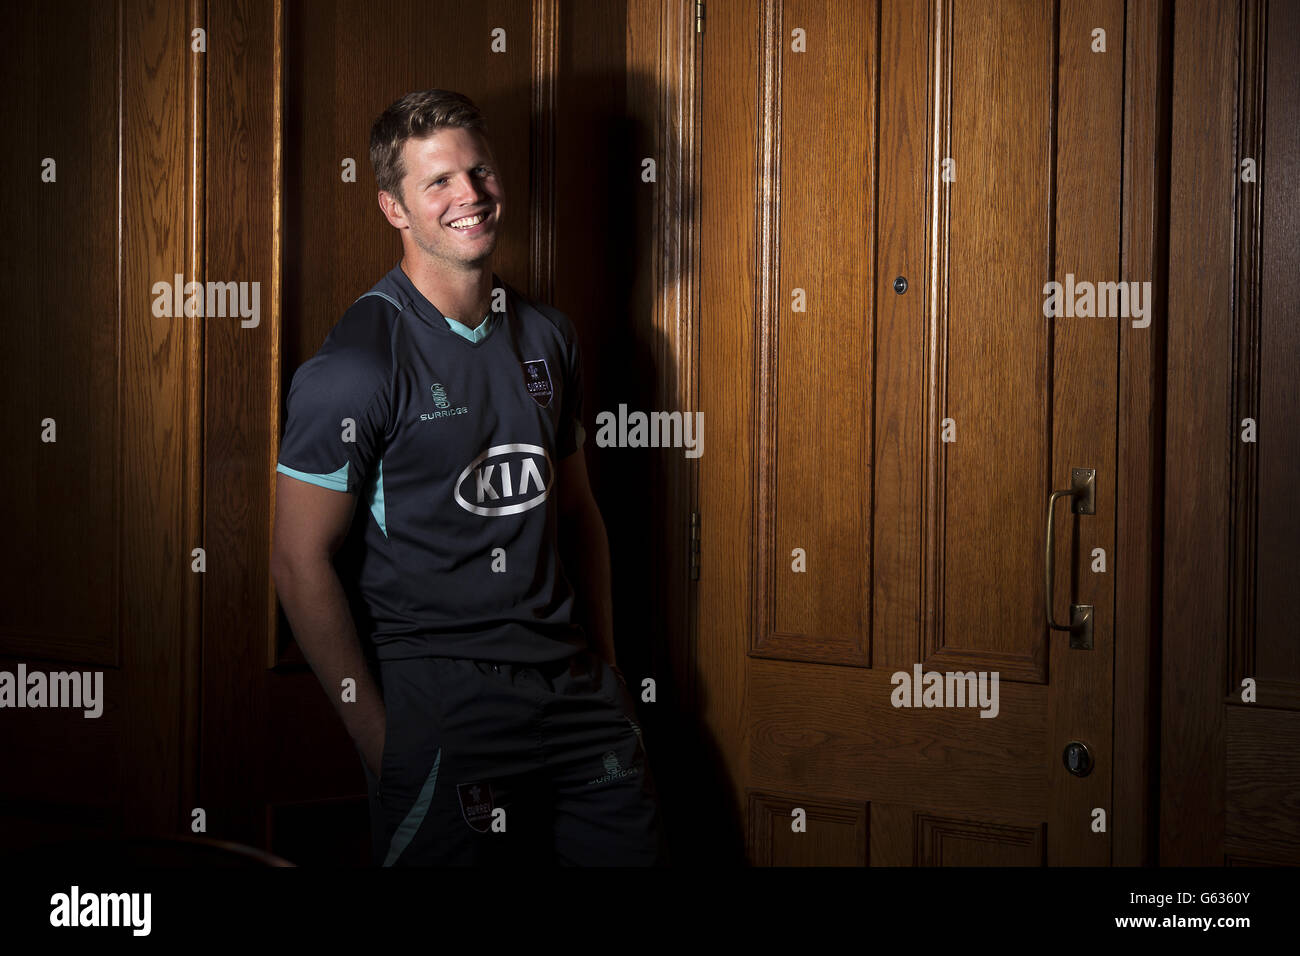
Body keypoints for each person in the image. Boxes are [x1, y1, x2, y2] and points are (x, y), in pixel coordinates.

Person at [270, 89, 666, 866]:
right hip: (447, 707)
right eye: (439, 182)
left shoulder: (548, 337)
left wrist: (609, 669)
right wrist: (380, 741)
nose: (470, 195)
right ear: (394, 208)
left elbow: (577, 514)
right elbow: (296, 559)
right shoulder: (357, 363)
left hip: (577, 695)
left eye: (479, 171)